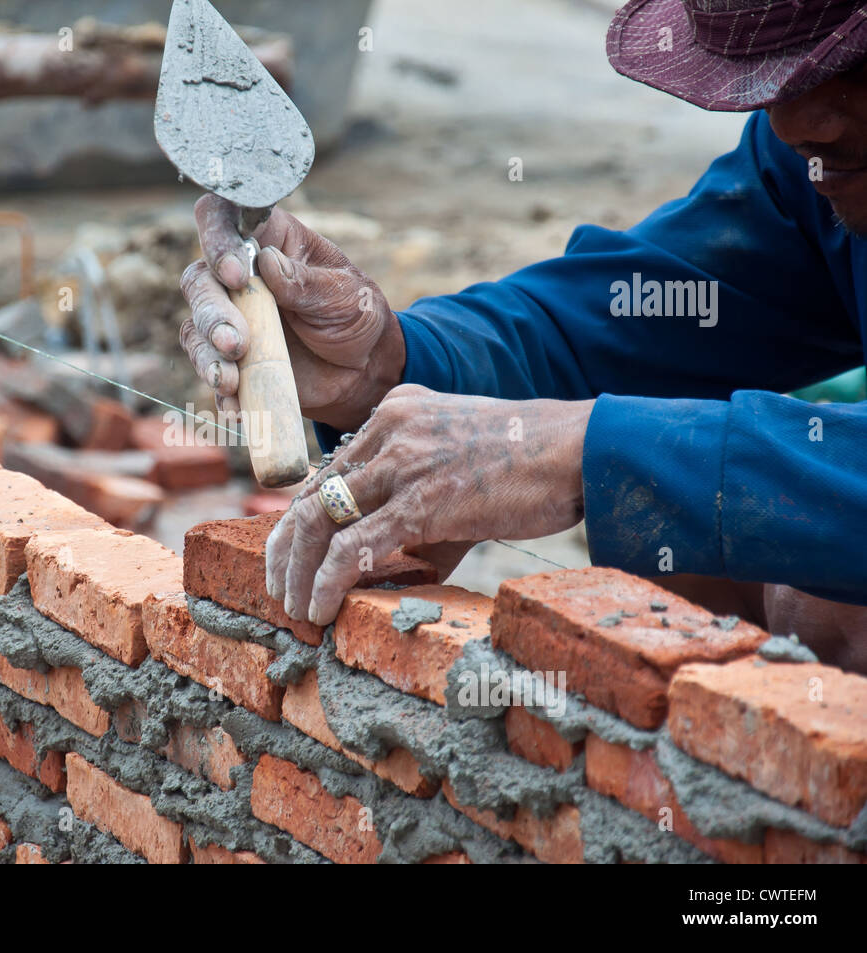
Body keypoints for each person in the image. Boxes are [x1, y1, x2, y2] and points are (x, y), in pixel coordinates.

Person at [177, 0, 867, 673]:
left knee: (816, 595)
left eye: (849, 66)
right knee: (686, 533)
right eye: (776, 79)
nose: (795, 120)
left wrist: (580, 450)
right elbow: (623, 316)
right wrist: (393, 363)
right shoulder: (809, 168)